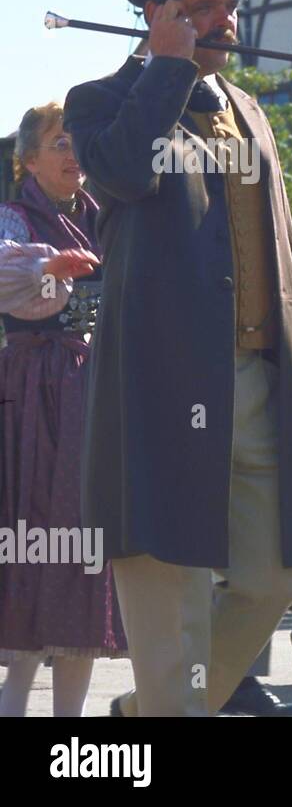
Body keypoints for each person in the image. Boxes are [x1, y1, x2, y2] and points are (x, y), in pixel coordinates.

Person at [64, 0, 292, 716]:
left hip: (261, 382)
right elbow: (121, 173)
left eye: (231, 7)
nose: (226, 21)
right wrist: (169, 70)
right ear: (158, 15)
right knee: (170, 603)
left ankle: (147, 716)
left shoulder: (250, 111)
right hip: (161, 384)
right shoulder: (106, 101)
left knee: (273, 577)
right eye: (205, 7)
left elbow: (283, 255)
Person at [0, 104, 125, 717]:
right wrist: (45, 266)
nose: (73, 153)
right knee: (32, 540)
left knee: (84, 551)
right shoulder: (14, 217)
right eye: (57, 143)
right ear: (27, 160)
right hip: (32, 395)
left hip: (93, 389)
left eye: (77, 142)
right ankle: (14, 704)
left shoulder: (104, 221)